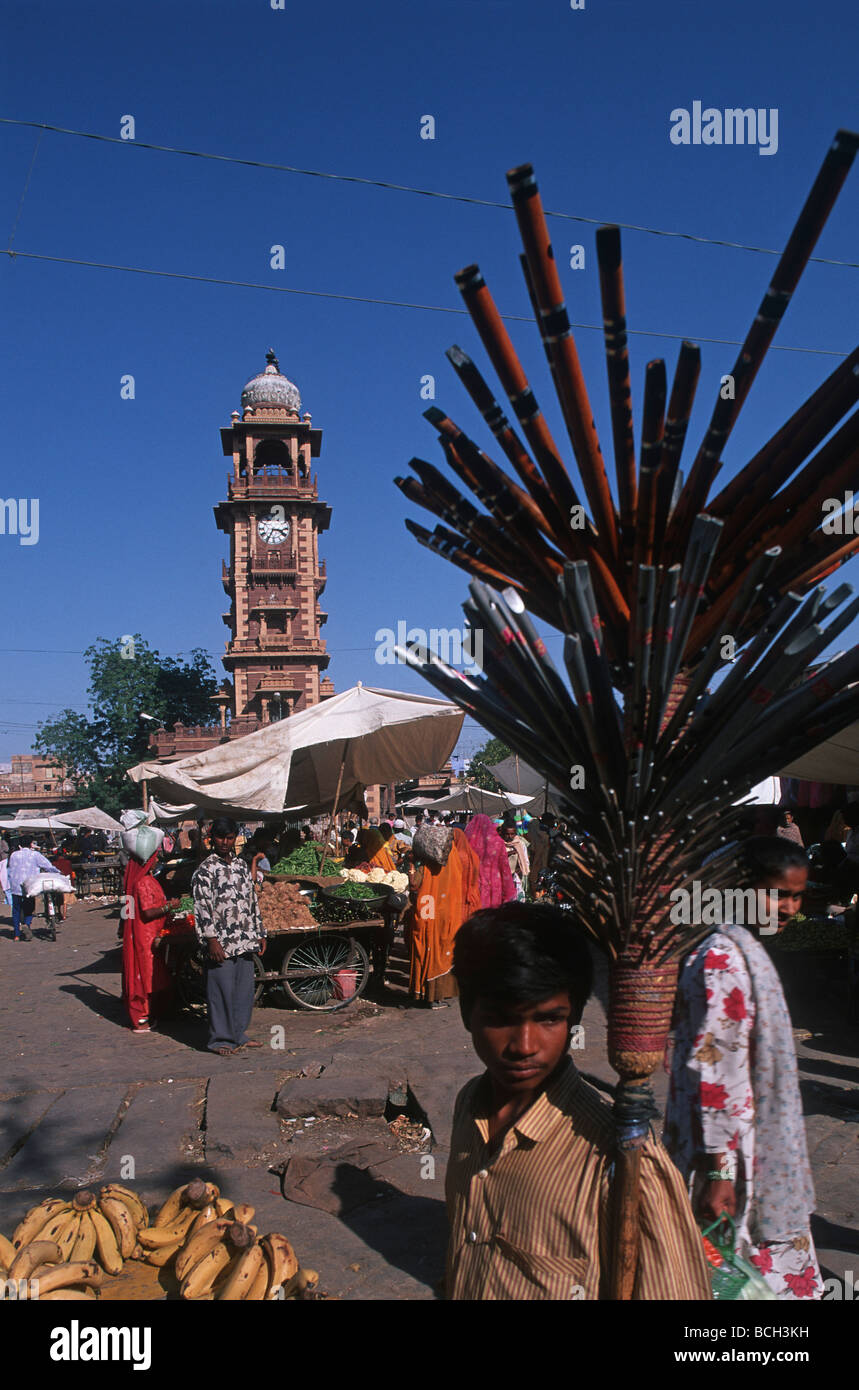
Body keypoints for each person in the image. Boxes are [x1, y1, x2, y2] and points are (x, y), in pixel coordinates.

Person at [446, 902, 712, 1300]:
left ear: (573, 1019)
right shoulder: (469, 1105)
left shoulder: (623, 1160)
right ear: (468, 1014)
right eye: (501, 1018)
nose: (524, 1045)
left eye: (549, 1019)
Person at [664, 837, 821, 1300]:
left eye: (797, 897)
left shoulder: (738, 948)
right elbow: (717, 1072)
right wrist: (718, 1172)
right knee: (730, 1268)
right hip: (730, 1153)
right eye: (777, 894)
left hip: (741, 1143)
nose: (789, 908)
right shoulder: (723, 959)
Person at [192, 818, 266, 1057]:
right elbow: (202, 907)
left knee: (243, 992)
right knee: (220, 991)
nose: (225, 842)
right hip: (221, 942)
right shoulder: (205, 870)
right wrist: (211, 939)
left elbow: (252, 901)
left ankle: (238, 1034)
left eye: (230, 838)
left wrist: (259, 932)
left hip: (244, 938)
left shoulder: (241, 866)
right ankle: (220, 1040)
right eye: (220, 837)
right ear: (212, 839)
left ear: (235, 838)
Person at [406, 824, 481, 1006]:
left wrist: (411, 865)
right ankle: (438, 995)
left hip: (427, 911)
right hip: (449, 912)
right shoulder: (456, 863)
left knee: (426, 946)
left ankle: (425, 993)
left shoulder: (425, 866)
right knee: (444, 949)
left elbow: (414, 885)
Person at [121, 826, 180, 1033]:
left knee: (150, 974)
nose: (157, 861)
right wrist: (169, 907)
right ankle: (143, 1017)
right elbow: (147, 913)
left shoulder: (142, 880)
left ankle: (151, 1013)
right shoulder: (144, 882)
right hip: (146, 937)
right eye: (155, 857)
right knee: (147, 976)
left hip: (148, 935)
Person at [7, 840, 58, 942]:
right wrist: (57, 872)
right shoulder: (35, 855)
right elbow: (47, 866)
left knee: (16, 909)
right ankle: (27, 924)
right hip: (29, 885)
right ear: (31, 844)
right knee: (29, 908)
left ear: (19, 845)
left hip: (15, 885)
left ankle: (16, 935)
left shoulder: (14, 855)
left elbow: (10, 869)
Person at [465, 814, 517, 909]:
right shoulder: (498, 843)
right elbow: (504, 869)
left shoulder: (467, 843)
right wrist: (508, 891)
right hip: (494, 884)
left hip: (473, 885)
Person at [499, 818, 530, 900]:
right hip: (501, 878)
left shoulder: (520, 844)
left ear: (515, 833)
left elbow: (525, 860)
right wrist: (509, 853)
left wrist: (519, 870)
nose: (510, 836)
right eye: (507, 834)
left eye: (512, 834)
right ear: (503, 833)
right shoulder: (498, 843)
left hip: (516, 877)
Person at [525, 816, 551, 897]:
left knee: (535, 882)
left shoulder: (535, 837)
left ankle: (536, 896)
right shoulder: (547, 836)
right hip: (542, 864)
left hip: (537, 865)